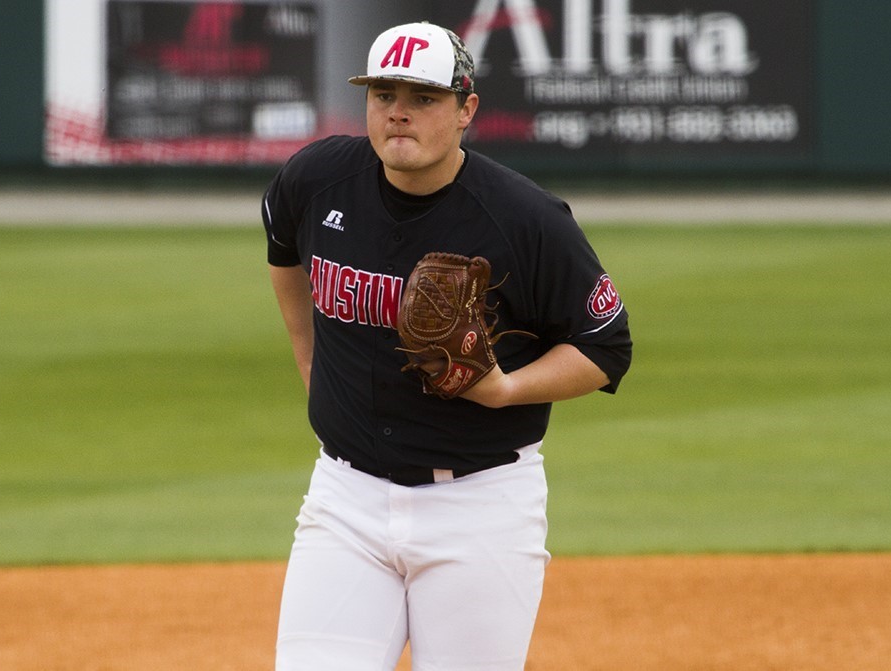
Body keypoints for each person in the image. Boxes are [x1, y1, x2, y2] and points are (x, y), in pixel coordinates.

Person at [261, 21, 632, 671]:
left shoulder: (526, 220)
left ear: (467, 110)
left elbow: (606, 346)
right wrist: (311, 362)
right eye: (383, 94)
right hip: (344, 501)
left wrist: (508, 387)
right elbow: (283, 247)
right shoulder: (316, 180)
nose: (398, 111)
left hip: (480, 508)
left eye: (423, 98)